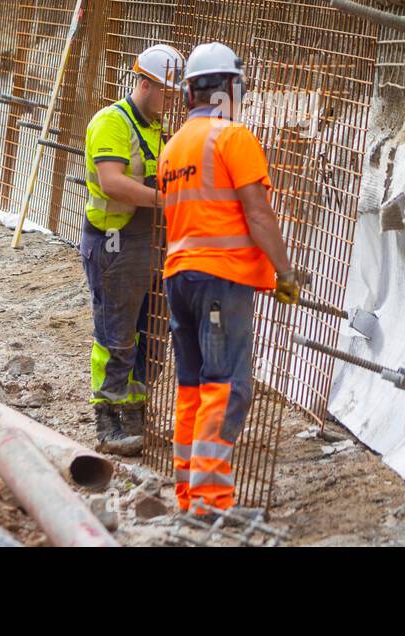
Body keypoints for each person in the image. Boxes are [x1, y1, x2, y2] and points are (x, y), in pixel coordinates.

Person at [157, 41, 302, 514]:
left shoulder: (173, 147)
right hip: (222, 282)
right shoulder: (232, 138)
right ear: (229, 88)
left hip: (179, 280)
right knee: (226, 387)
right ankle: (211, 502)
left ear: (188, 95)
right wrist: (284, 272)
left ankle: (188, 494)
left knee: (193, 388)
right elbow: (258, 214)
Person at [82, 42, 185, 455]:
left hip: (151, 244)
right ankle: (107, 420)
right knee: (117, 334)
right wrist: (168, 200)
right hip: (115, 241)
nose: (171, 100)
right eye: (167, 91)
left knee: (151, 335)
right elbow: (112, 182)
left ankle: (134, 412)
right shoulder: (113, 122)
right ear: (145, 83)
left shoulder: (157, 129)